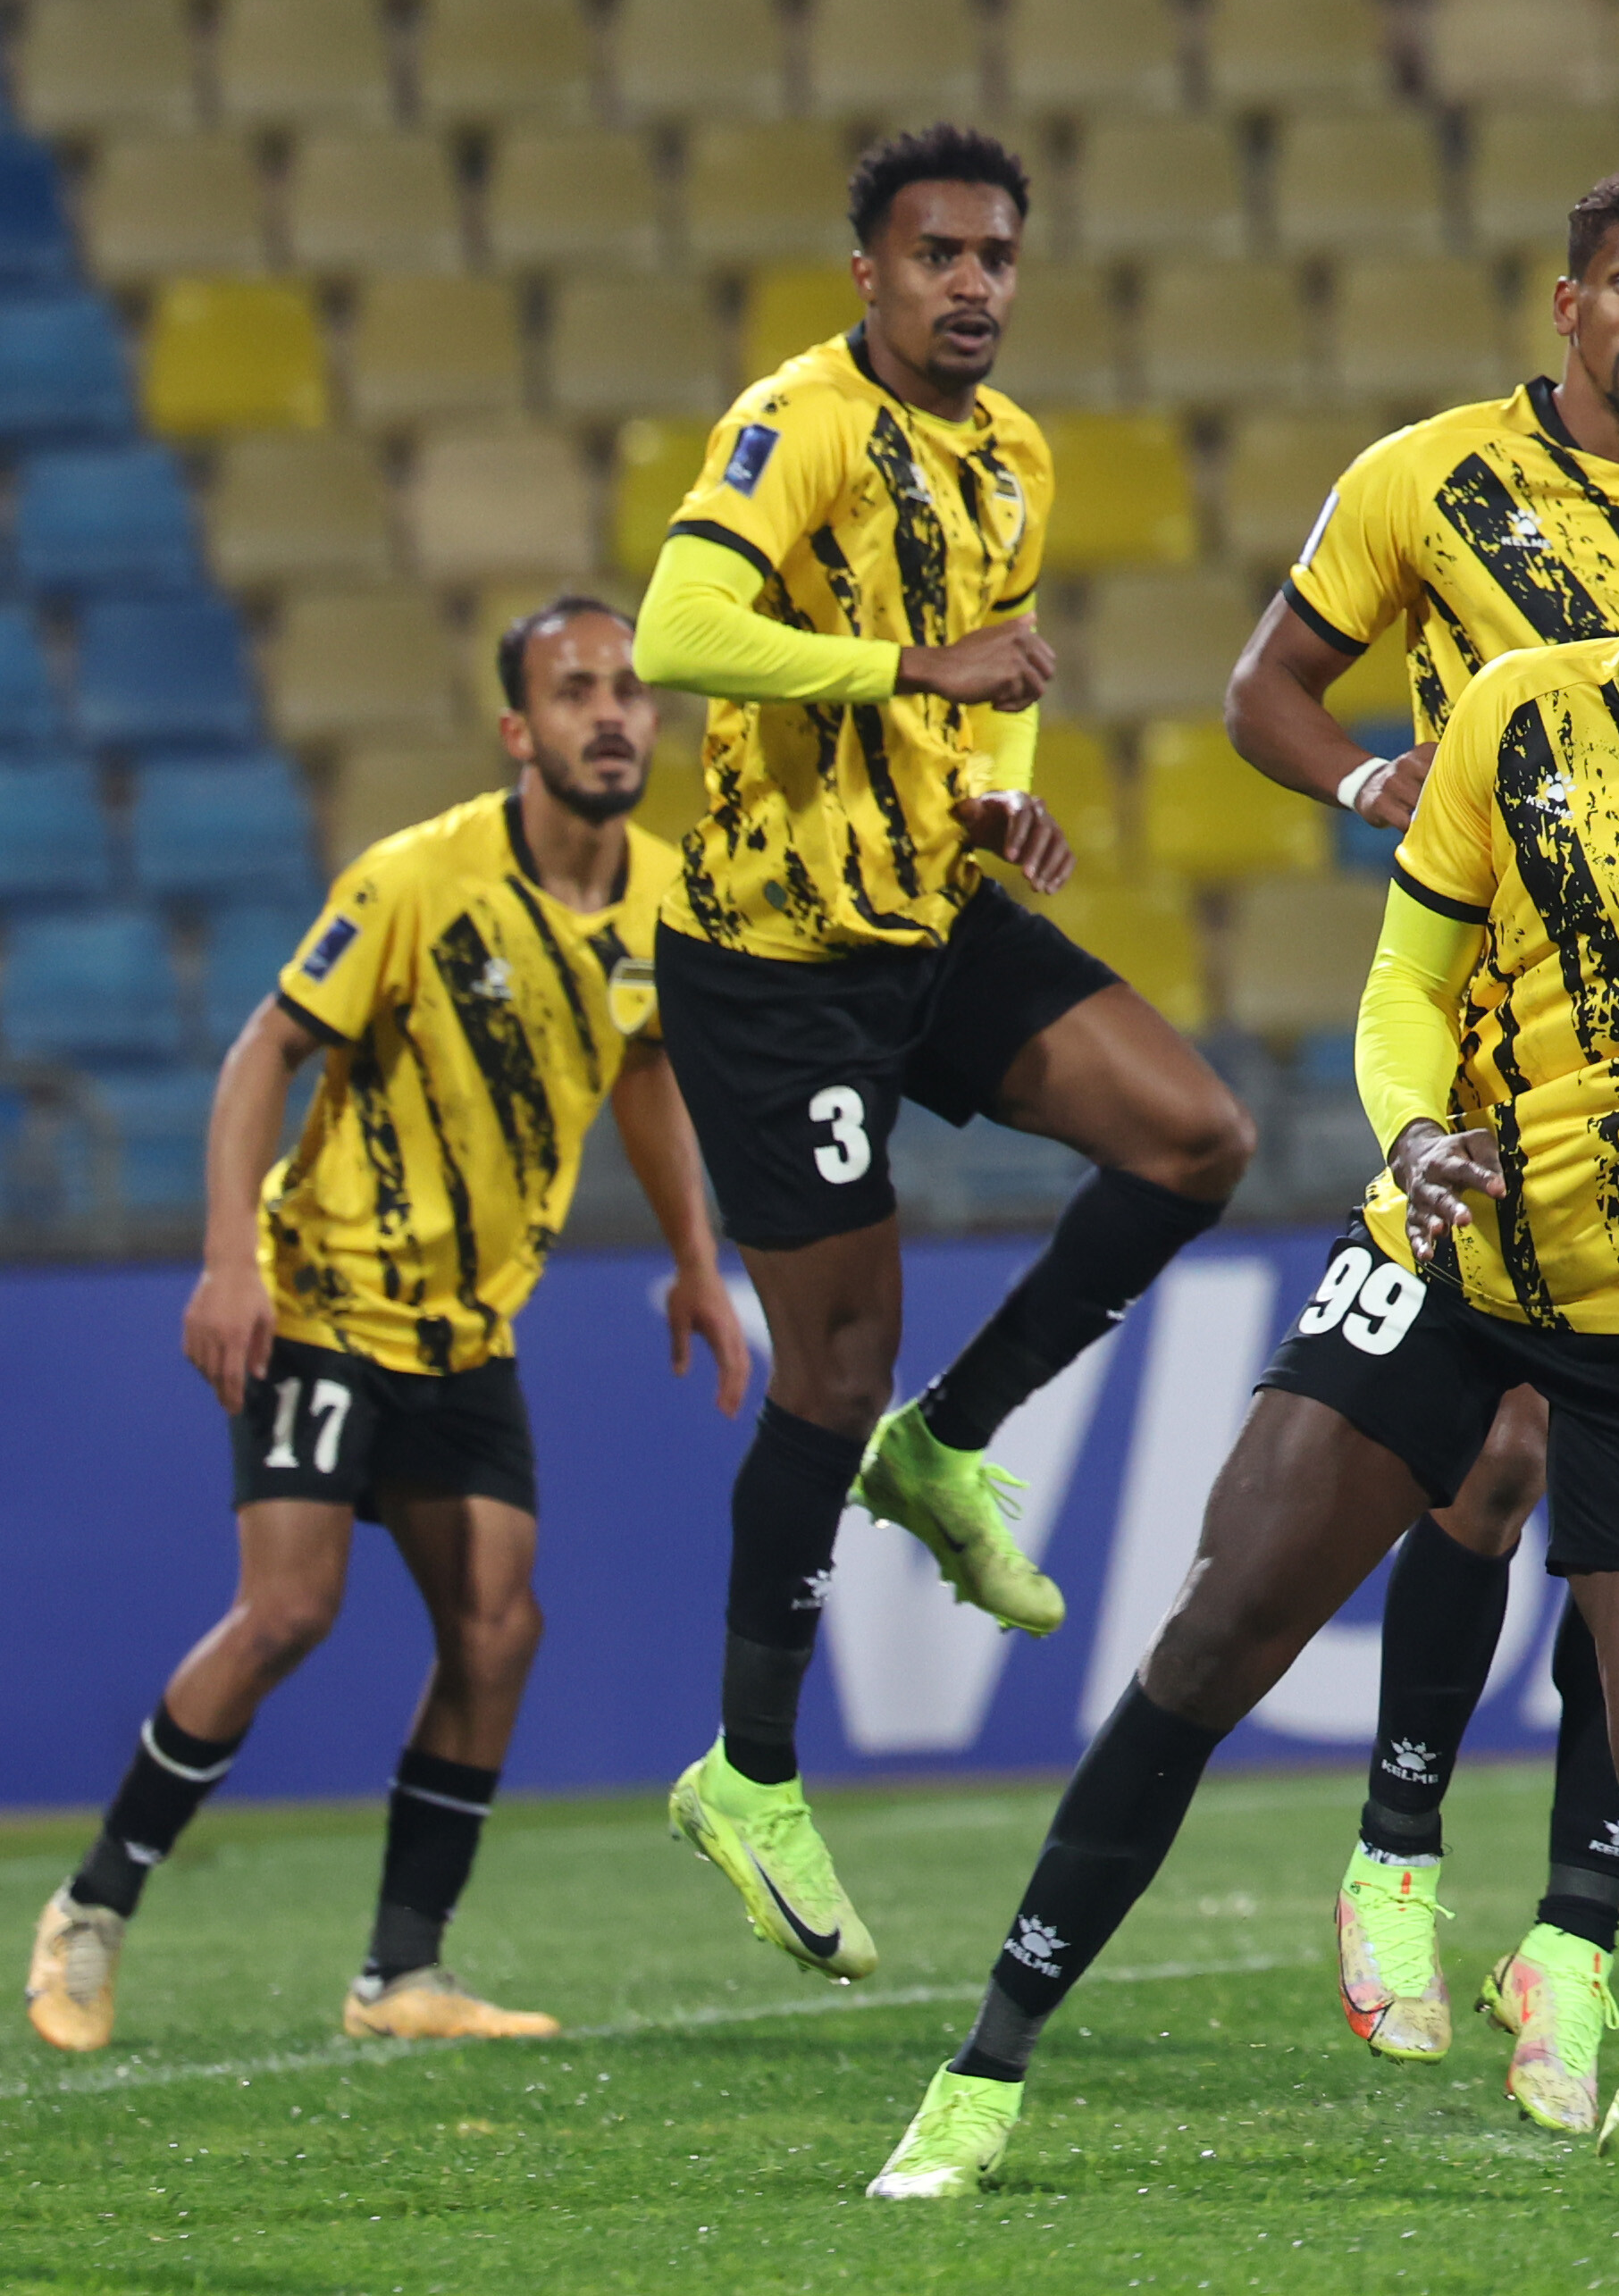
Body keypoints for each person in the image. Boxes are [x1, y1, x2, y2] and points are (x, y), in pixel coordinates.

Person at [865, 417, 1619, 2194]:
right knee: (1212, 1630)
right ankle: (980, 2070)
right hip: (1445, 1262)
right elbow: (1407, 978)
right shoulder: (1521, 706)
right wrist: (1408, 1132)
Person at [633, 124, 1254, 1984]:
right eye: (937, 255)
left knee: (1194, 1137)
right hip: (767, 965)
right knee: (828, 1356)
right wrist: (908, 676)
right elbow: (680, 625)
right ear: (869, 275)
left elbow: (1001, 677)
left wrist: (995, 799)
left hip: (928, 914)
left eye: (996, 254)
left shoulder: (1017, 451)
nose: (972, 284)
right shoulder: (798, 417)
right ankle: (745, 1770)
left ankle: (950, 1448)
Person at [21, 601, 750, 2052]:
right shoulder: (419, 877)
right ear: (517, 730)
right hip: (327, 1293)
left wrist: (694, 1255)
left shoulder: (668, 896)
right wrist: (228, 1260)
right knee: (289, 1607)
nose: (609, 715)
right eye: (573, 691)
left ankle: (399, 1972)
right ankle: (90, 1905)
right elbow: (262, 1050)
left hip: (468, 1326)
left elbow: (646, 1068)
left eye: (625, 691)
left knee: (498, 1626)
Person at [1220, 166, 1619, 2099]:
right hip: (1492, 1033)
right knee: (1494, 1448)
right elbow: (1260, 685)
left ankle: (1570, 1935)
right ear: (1565, 305)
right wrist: (1370, 774)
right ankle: (1396, 1851)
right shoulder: (1425, 481)